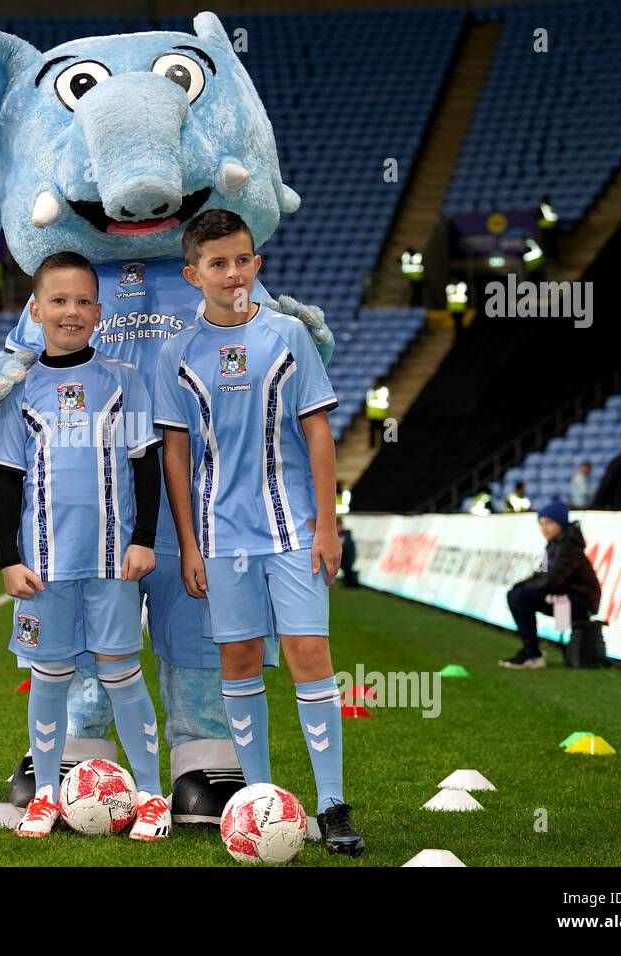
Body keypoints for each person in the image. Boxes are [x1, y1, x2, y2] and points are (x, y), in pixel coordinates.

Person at [155, 209, 362, 856]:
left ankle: (332, 804)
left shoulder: (290, 337)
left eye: (243, 259)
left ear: (258, 264)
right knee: (239, 662)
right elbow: (176, 455)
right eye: (218, 263)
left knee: (309, 658)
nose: (233, 272)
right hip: (220, 539)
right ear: (194, 275)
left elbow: (318, 432)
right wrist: (189, 544)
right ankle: (262, 800)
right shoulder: (177, 353)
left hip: (292, 531)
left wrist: (327, 526)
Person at [0, 251, 167, 840]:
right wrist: (8, 559)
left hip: (114, 563)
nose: (71, 312)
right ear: (36, 310)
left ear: (99, 310)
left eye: (84, 301)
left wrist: (144, 541)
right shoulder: (21, 391)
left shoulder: (124, 380)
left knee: (122, 675)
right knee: (49, 676)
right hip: (43, 567)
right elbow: (7, 481)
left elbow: (147, 466)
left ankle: (150, 794)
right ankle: (44, 791)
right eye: (58, 301)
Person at [501, 501, 601, 669]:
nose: (544, 528)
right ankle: (530, 650)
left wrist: (524, 589)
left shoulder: (568, 546)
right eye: (541, 523)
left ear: (560, 523)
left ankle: (533, 654)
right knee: (515, 594)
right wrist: (520, 585)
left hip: (579, 604)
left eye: (549, 523)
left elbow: (553, 580)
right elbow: (541, 574)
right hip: (563, 599)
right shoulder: (555, 545)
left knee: (521, 597)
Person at [365, 377, 389, 448]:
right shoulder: (371, 391)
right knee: (372, 432)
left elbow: (386, 401)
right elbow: (368, 401)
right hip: (372, 415)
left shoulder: (384, 390)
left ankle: (383, 445)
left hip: (381, 415)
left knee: (382, 432)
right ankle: (372, 446)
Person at [337, 515, 358, 588]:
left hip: (347, 558)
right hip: (345, 557)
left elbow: (342, 547)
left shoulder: (344, 535)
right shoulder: (344, 534)